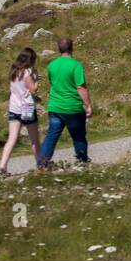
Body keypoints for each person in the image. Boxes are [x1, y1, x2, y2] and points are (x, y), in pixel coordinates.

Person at [36, 38, 91, 169]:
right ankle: (82, 161)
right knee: (78, 137)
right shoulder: (76, 65)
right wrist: (88, 105)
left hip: (55, 107)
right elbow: (80, 87)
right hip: (73, 108)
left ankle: (42, 163)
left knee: (51, 137)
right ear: (72, 48)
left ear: (58, 49)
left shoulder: (51, 65)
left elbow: (52, 82)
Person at [0, 47, 40, 176]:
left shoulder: (13, 72)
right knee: (34, 139)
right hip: (26, 107)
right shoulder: (27, 73)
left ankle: (3, 166)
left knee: (12, 139)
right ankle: (41, 163)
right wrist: (37, 80)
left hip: (14, 107)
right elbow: (33, 90)